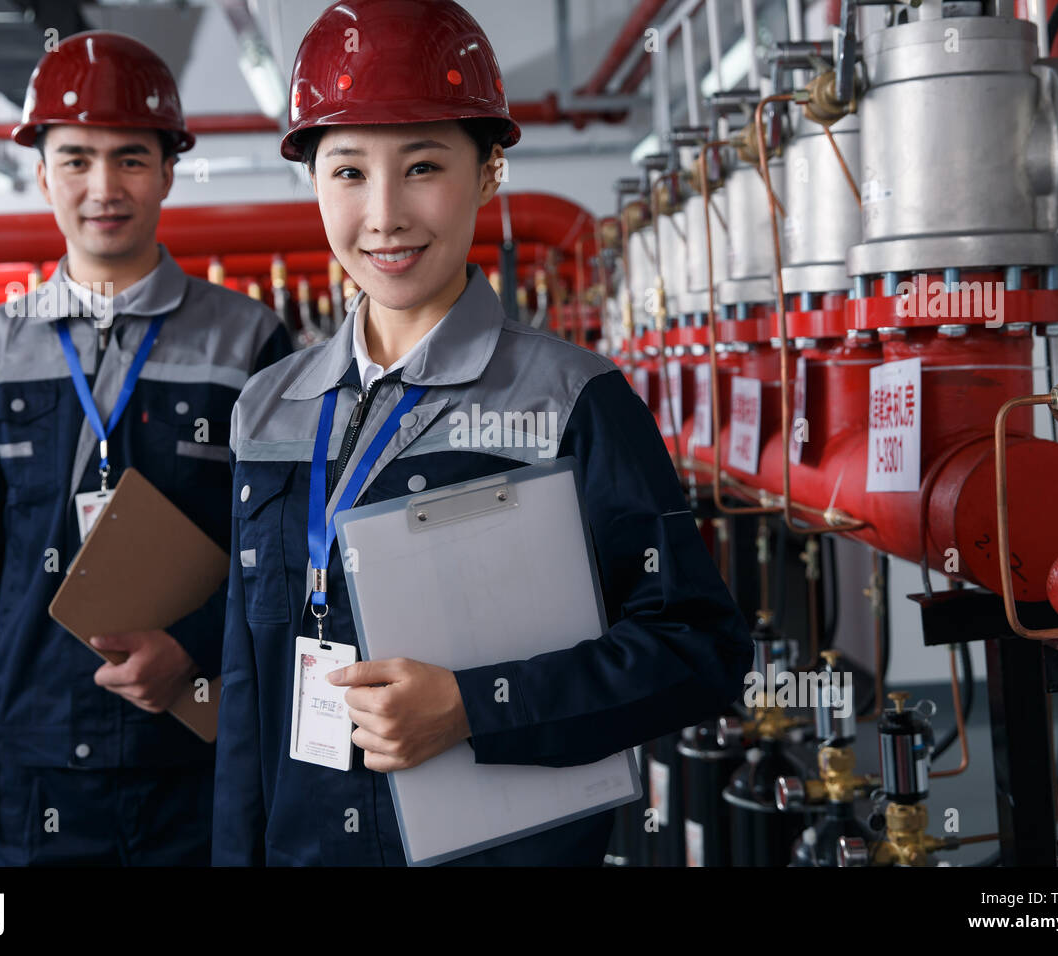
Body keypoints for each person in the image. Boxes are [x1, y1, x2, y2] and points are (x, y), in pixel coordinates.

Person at [212, 0, 753, 866]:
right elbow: (249, 695)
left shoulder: (573, 399)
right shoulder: (269, 408)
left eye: (422, 165)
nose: (384, 215)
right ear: (312, 181)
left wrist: (477, 705)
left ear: (491, 170)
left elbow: (700, 650)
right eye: (348, 172)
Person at [0, 31, 292, 866]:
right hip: (37, 758)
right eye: (76, 158)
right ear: (43, 172)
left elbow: (286, 546)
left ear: (166, 171)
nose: (103, 187)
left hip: (202, 753)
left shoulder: (251, 344)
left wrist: (193, 641)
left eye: (129, 158)